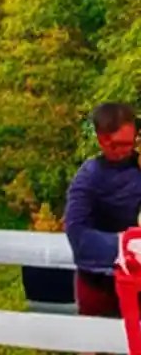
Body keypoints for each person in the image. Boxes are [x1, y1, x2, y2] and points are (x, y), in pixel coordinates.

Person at [64, 102, 141, 318]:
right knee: (92, 345)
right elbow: (77, 233)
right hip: (98, 285)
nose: (121, 151)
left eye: (127, 143)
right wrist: (128, 246)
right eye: (113, 145)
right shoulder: (89, 176)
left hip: (138, 285)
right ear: (100, 139)